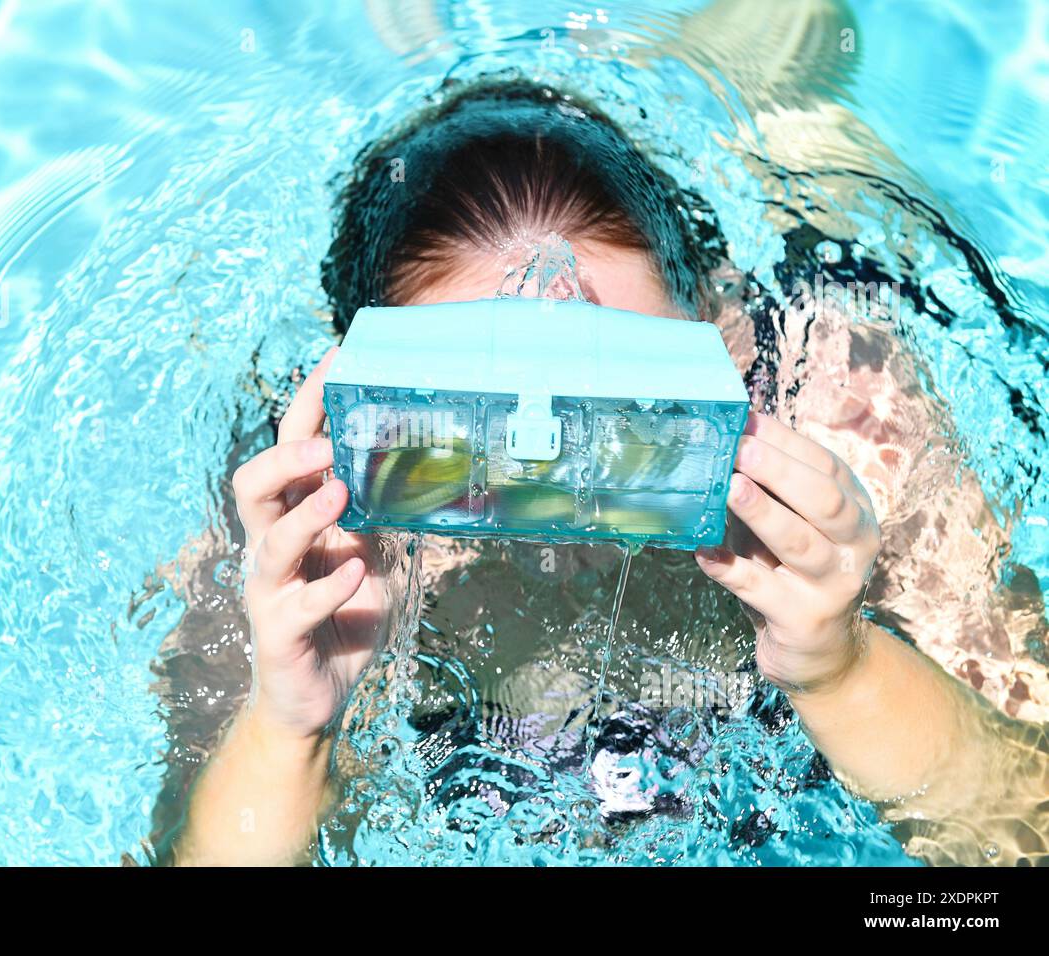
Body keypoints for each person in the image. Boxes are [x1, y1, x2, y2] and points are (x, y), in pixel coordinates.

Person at [171, 79, 1048, 866]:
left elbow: (1027, 829)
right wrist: (289, 729)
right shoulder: (300, 522)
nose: (564, 488)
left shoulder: (840, 409)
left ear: (721, 326)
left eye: (638, 404)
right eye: (474, 433)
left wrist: (842, 667)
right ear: (371, 395)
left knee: (799, 83)